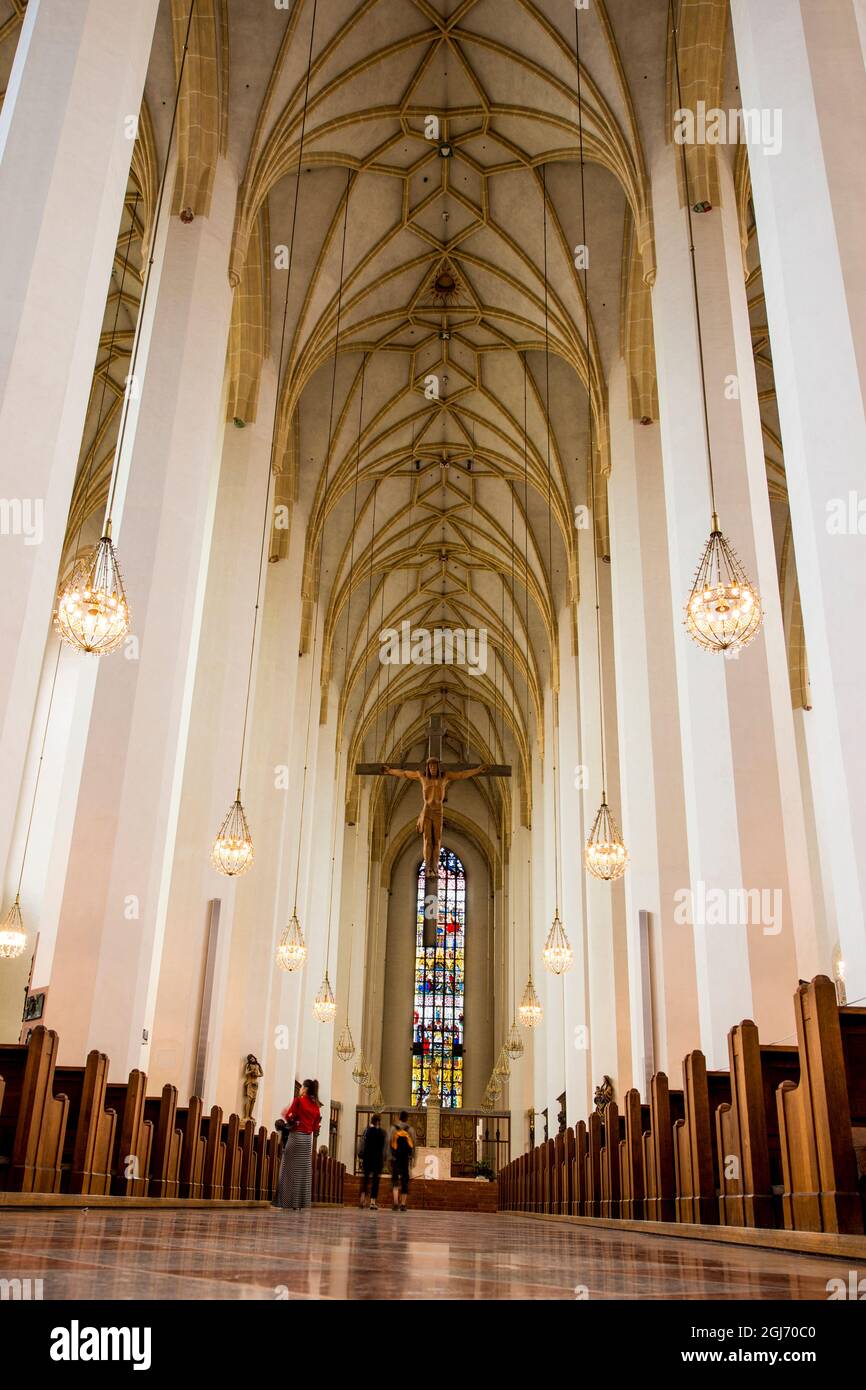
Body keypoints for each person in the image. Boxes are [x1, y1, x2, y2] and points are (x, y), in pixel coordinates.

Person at [272, 1078, 321, 1211]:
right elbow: (316, 1126)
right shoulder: (316, 1106)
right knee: (302, 1172)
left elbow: (289, 1116)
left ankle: (286, 1202)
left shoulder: (299, 1100)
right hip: (307, 1141)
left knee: (287, 1170)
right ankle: (299, 1203)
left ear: (304, 1088)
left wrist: (288, 1116)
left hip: (295, 1137)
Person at [388, 1110, 416, 1211]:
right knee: (405, 1180)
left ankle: (395, 1202)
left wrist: (390, 1158)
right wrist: (413, 1159)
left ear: (399, 1117)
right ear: (407, 1118)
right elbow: (413, 1146)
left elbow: (389, 1143)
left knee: (395, 1180)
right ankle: (403, 1204)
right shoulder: (410, 1130)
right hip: (405, 1159)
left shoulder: (393, 1129)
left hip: (395, 1158)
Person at [358, 1112, 386, 1210]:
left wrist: (360, 1155)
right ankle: (372, 1202)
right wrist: (384, 1159)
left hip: (367, 1158)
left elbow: (362, 1143)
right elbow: (384, 1148)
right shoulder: (382, 1133)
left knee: (365, 1179)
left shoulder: (367, 1131)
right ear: (378, 1122)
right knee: (375, 1181)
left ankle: (362, 1198)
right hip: (377, 1160)